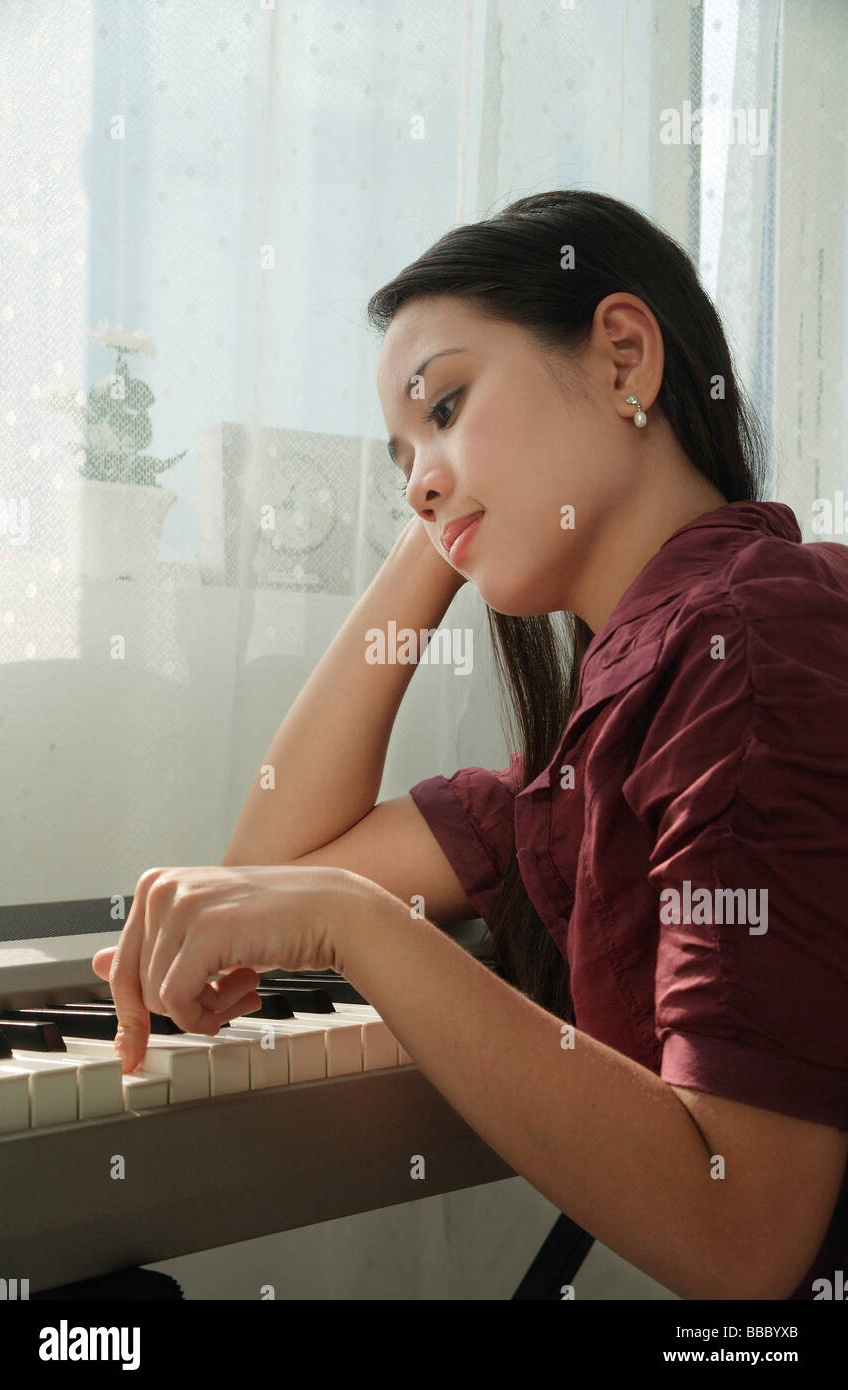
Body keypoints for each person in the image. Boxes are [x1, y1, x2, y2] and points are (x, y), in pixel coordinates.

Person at [93, 190, 847, 1301]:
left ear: (622, 358)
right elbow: (267, 871)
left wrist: (358, 927)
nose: (417, 479)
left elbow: (745, 1235)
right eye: (400, 457)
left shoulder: (751, 644)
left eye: (447, 400)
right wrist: (444, 515)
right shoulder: (595, 748)